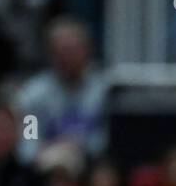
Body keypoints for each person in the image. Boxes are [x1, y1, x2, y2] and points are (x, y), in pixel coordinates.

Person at [12, 16, 108, 164]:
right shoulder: (32, 95)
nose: (68, 57)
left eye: (73, 50)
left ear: (87, 50)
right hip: (47, 165)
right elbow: (28, 141)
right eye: (62, 51)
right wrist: (53, 149)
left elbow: (109, 136)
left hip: (93, 165)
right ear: (51, 54)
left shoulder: (104, 90)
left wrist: (79, 146)